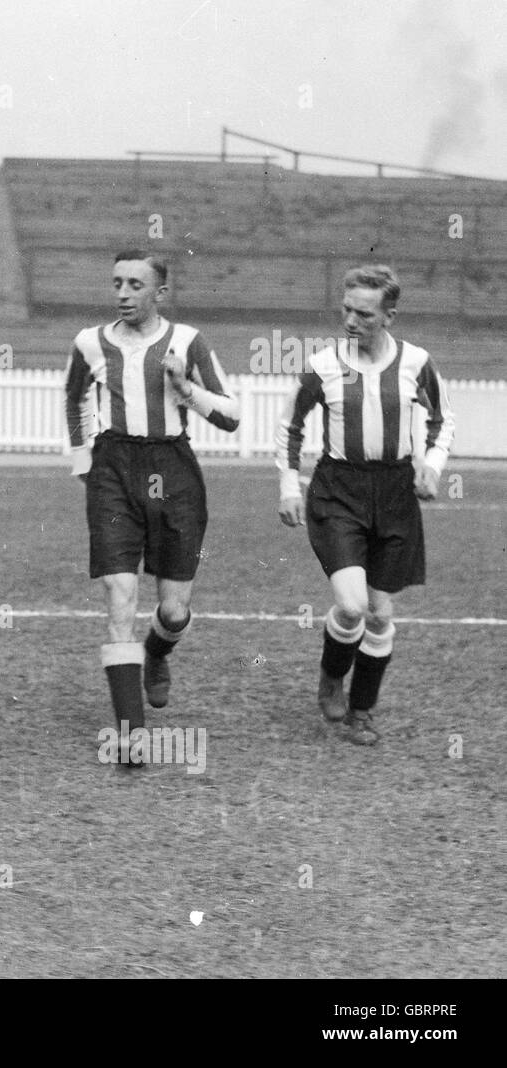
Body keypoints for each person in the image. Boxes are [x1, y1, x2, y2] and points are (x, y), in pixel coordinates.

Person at [65, 250, 240, 766]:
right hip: (114, 468)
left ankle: (157, 655)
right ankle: (130, 735)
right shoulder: (89, 342)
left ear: (160, 293)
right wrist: (84, 463)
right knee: (120, 597)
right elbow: (75, 399)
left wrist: (187, 390)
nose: (123, 293)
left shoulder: (188, 342)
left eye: (136, 285)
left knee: (172, 610)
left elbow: (231, 416)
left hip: (173, 470)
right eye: (117, 282)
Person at [275, 265, 454, 745]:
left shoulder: (416, 363)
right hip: (339, 490)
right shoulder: (323, 366)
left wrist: (431, 466)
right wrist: (289, 487)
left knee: (379, 613)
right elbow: (290, 426)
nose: (352, 321)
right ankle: (332, 674)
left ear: (389, 316)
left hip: (395, 492)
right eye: (346, 310)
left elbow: (442, 421)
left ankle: (362, 711)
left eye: (365, 314)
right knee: (351, 605)